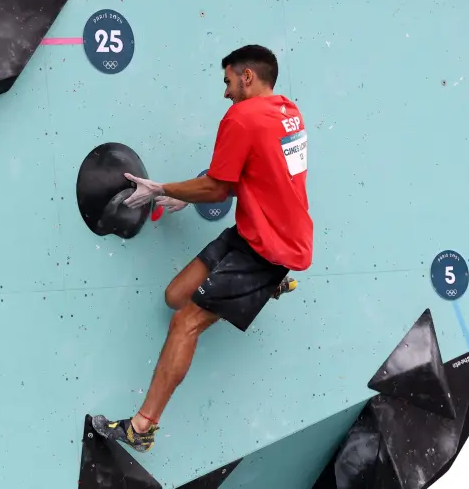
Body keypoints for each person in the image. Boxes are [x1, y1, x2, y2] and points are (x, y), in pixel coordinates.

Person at [91, 44, 313, 453]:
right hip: (253, 233)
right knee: (175, 296)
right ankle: (269, 285)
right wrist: (193, 195)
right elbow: (250, 175)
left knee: (185, 323)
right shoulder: (288, 111)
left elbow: (218, 186)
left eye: (228, 81)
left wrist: (164, 189)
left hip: (266, 251)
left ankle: (142, 428)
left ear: (247, 76)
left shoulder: (243, 116)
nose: (225, 92)